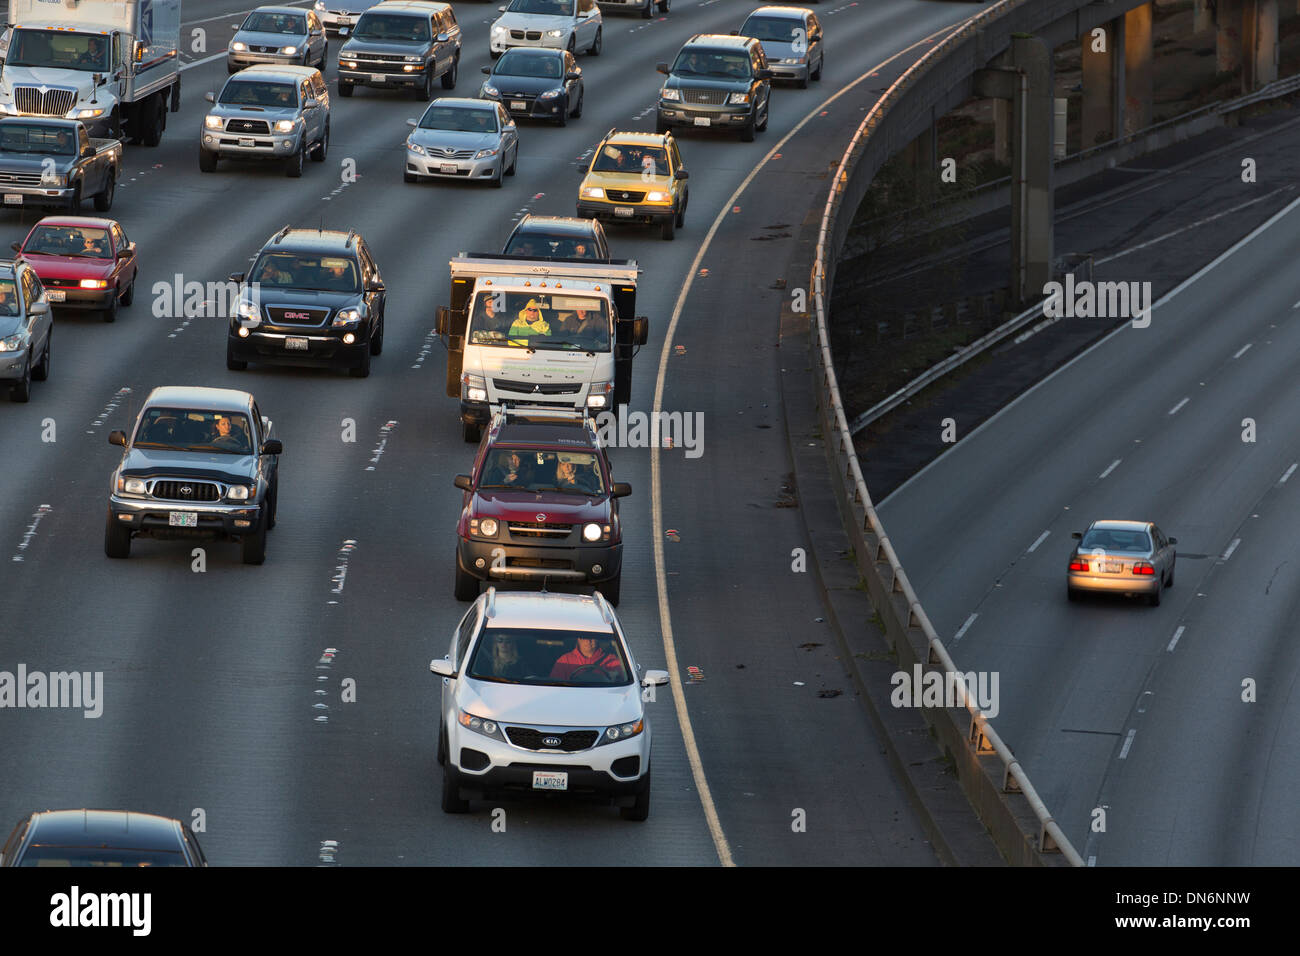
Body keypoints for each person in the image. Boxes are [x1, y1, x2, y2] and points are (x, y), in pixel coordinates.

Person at [550, 633, 623, 681]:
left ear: (597, 639)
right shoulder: (564, 660)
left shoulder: (611, 660)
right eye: (584, 637)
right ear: (578, 639)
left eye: (592, 637)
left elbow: (621, 679)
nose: (588, 641)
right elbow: (555, 685)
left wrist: (615, 674)